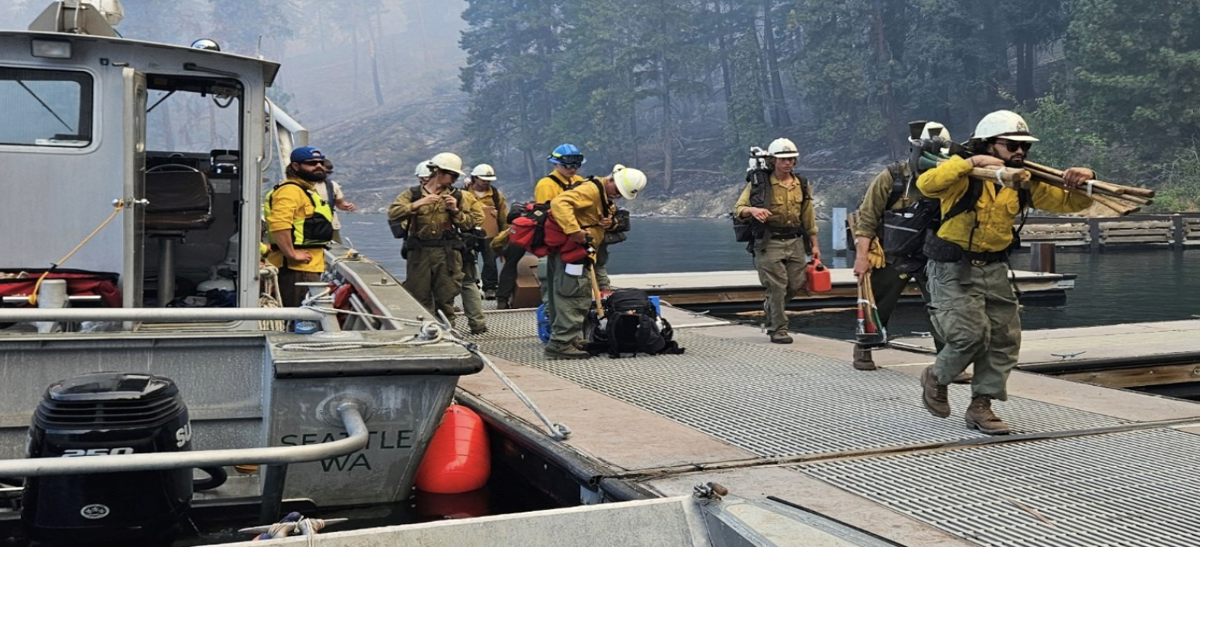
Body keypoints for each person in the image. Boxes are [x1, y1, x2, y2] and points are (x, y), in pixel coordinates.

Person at [917, 110, 1095, 435]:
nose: (1020, 152)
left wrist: (1084, 178)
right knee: (970, 335)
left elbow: (1072, 203)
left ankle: (981, 406)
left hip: (995, 268)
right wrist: (971, 164)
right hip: (953, 268)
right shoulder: (962, 176)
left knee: (1005, 339)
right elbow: (927, 184)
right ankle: (937, 376)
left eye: (1023, 147)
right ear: (988, 143)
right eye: (1011, 145)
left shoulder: (1021, 182)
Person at [851, 122, 953, 371]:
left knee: (941, 308)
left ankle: (949, 362)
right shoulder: (892, 178)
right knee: (878, 303)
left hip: (931, 255)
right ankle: (864, 348)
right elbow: (867, 218)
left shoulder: (950, 181)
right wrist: (862, 257)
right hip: (892, 255)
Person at [544, 165, 647, 359]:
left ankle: (570, 338)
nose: (617, 195)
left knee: (567, 295)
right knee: (573, 297)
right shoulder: (590, 190)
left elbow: (604, 213)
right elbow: (559, 203)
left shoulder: (602, 193)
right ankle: (560, 344)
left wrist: (611, 223)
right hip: (572, 253)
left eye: (621, 194)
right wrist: (574, 231)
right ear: (610, 180)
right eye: (617, 190)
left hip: (578, 254)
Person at [733, 138, 821, 344]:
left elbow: (808, 217)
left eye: (791, 159)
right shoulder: (760, 185)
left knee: (795, 283)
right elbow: (738, 209)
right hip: (769, 241)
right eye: (783, 159)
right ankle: (778, 329)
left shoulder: (802, 184)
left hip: (795, 240)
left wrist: (815, 245)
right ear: (773, 161)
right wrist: (753, 210)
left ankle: (771, 307)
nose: (788, 163)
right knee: (777, 286)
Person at [386, 152, 485, 327]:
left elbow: (474, 221)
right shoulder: (413, 194)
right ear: (438, 172)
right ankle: (424, 331)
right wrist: (416, 205)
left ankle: (448, 331)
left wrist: (455, 210)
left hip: (447, 253)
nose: (454, 179)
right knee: (418, 294)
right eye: (452, 174)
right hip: (419, 252)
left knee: (446, 295)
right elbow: (393, 213)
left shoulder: (461, 196)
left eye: (456, 175)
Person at [263, 146, 335, 309]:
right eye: (311, 163)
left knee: (306, 313)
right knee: (300, 315)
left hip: (310, 264)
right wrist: (291, 253)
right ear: (296, 166)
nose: (318, 166)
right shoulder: (290, 191)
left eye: (320, 162)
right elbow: (280, 224)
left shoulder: (306, 190)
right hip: (297, 268)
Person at [534, 144, 587, 306]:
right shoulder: (546, 185)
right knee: (554, 282)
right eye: (568, 165)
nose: (572, 169)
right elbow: (545, 215)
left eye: (576, 165)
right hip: (556, 241)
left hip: (576, 241)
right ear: (555, 164)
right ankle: (551, 314)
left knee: (574, 281)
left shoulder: (579, 182)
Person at [465, 164, 507, 304]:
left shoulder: (495, 195)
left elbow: (503, 216)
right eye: (483, 180)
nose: (486, 183)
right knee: (469, 260)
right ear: (475, 178)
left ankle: (490, 288)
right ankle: (472, 286)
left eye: (488, 180)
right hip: (469, 232)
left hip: (489, 233)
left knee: (490, 260)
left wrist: (504, 235)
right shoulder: (464, 192)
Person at [315, 158, 357, 244]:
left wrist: (347, 206)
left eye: (329, 173)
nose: (326, 175)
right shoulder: (304, 185)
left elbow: (339, 203)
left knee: (336, 249)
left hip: (331, 225)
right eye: (324, 172)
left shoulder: (332, 185)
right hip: (312, 226)